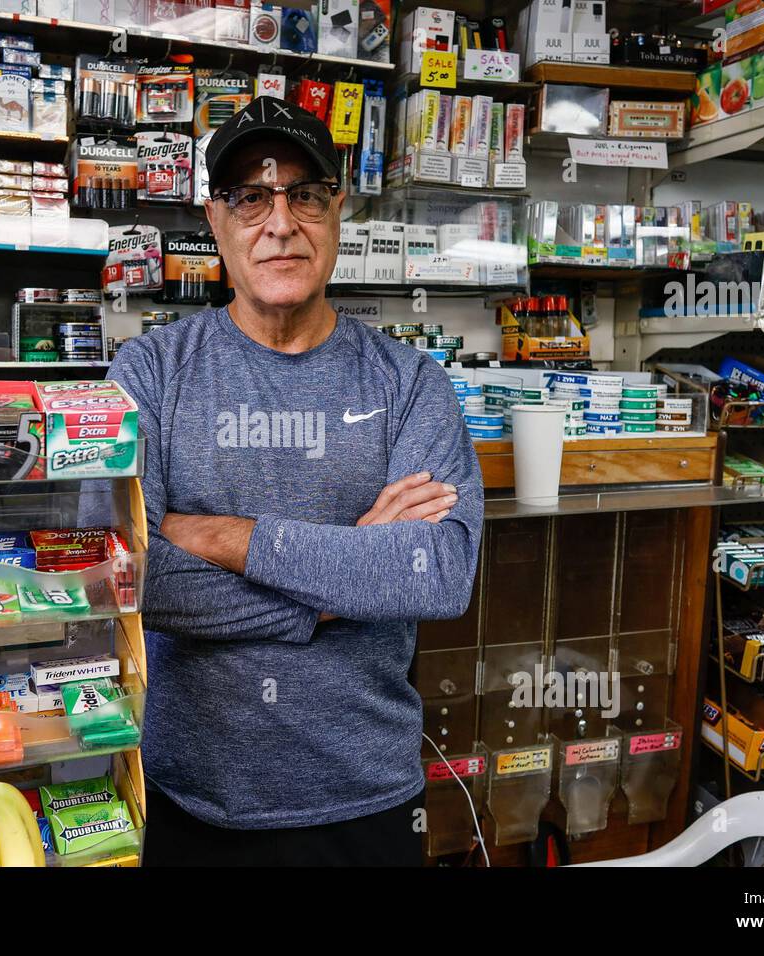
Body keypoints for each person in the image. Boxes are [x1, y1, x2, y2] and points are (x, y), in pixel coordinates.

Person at [105, 97, 484, 866]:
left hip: (368, 800)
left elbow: (436, 575)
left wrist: (214, 533)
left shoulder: (411, 383)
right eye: (251, 197)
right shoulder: (150, 373)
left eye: (304, 194)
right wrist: (347, 577)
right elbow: (135, 576)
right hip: (192, 798)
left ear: (337, 208)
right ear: (215, 221)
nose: (280, 223)